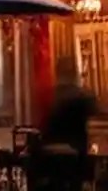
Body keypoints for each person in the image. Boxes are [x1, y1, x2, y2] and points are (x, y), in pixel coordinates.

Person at [41, 57, 97, 191]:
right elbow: (94, 110)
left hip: (50, 154)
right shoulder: (83, 96)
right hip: (76, 153)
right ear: (73, 74)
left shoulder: (48, 95)